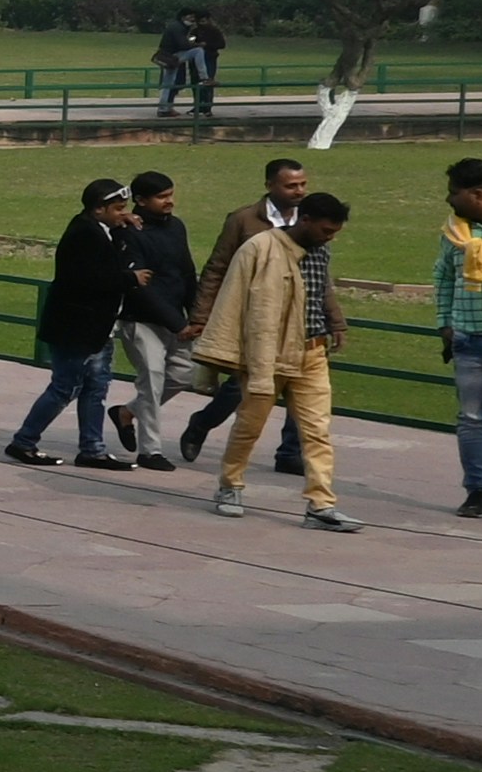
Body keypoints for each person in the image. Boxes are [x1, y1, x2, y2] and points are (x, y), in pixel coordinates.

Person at [191, 189, 358, 531]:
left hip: (312, 353)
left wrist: (336, 322)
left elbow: (322, 289)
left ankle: (321, 504)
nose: (330, 237)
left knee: (317, 430)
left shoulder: (320, 251)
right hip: (267, 354)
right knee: (249, 426)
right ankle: (230, 485)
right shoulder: (259, 247)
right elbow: (233, 299)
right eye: (326, 230)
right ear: (305, 219)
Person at [167, 161, 313, 480]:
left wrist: (332, 319)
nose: (299, 191)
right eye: (291, 185)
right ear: (270, 185)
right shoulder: (243, 220)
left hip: (298, 319)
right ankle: (201, 424)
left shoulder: (311, 219)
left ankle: (290, 452)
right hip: (254, 316)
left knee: (300, 383)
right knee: (241, 385)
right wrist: (201, 317)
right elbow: (217, 267)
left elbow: (319, 274)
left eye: (303, 184)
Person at [7, 179, 140, 469]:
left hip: (97, 329)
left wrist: (121, 225)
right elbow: (89, 280)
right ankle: (23, 442)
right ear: (98, 209)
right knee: (64, 388)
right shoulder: (84, 235)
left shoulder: (100, 229)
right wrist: (131, 278)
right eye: (118, 209)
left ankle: (93, 450)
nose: (124, 213)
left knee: (96, 388)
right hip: (75, 329)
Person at [113, 171, 202, 468]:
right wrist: (179, 324)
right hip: (140, 320)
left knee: (183, 375)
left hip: (176, 319)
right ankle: (149, 450)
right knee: (151, 381)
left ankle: (126, 413)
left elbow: (187, 272)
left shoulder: (176, 227)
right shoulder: (129, 232)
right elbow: (140, 288)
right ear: (140, 201)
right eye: (162, 197)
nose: (170, 202)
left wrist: (196, 314)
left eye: (170, 195)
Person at [440, 157, 482, 521]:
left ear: (476, 194)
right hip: (470, 341)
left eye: (454, 193)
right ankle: (477, 491)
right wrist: (445, 323)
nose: (449, 200)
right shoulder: (455, 234)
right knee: (473, 419)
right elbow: (443, 276)